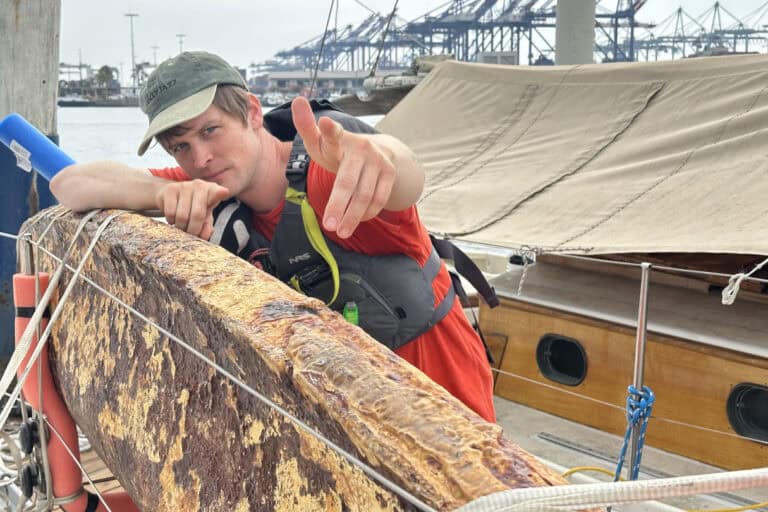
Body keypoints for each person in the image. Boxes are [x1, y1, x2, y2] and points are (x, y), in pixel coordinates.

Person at [50, 51, 496, 422]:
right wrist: (165, 191)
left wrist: (379, 152)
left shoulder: (328, 178)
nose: (201, 158)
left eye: (210, 130)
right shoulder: (210, 185)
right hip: (353, 412)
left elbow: (403, 179)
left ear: (253, 112)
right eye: (180, 146)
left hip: (445, 406)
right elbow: (69, 184)